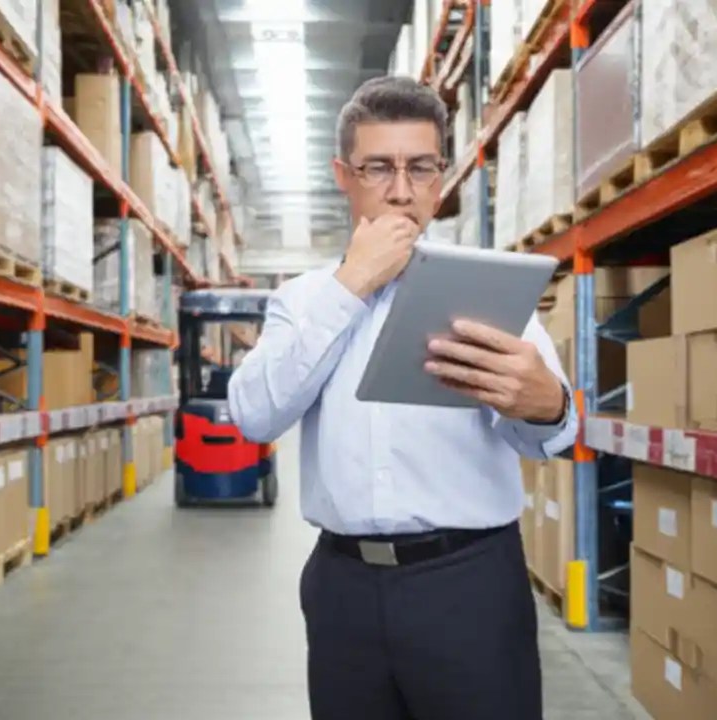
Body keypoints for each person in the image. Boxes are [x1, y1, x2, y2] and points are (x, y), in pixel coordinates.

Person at [226, 76, 577, 720]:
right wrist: (352, 284)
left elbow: (551, 435)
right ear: (344, 175)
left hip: (469, 585)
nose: (400, 190)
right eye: (378, 168)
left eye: (420, 168)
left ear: (441, 180)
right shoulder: (303, 301)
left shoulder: (487, 288)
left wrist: (548, 404)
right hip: (343, 591)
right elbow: (255, 416)